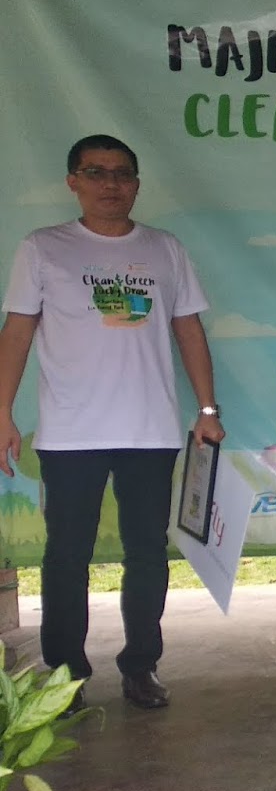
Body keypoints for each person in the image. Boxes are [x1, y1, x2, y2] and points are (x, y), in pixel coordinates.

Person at [0, 134, 225, 714]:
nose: (110, 184)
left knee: (147, 552)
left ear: (137, 183)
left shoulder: (164, 248)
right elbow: (18, 331)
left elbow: (188, 330)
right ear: (73, 181)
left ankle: (141, 665)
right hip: (72, 434)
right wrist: (2, 413)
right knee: (65, 555)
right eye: (95, 172)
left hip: (149, 432)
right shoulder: (43, 248)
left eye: (122, 174)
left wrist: (206, 411)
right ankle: (66, 676)